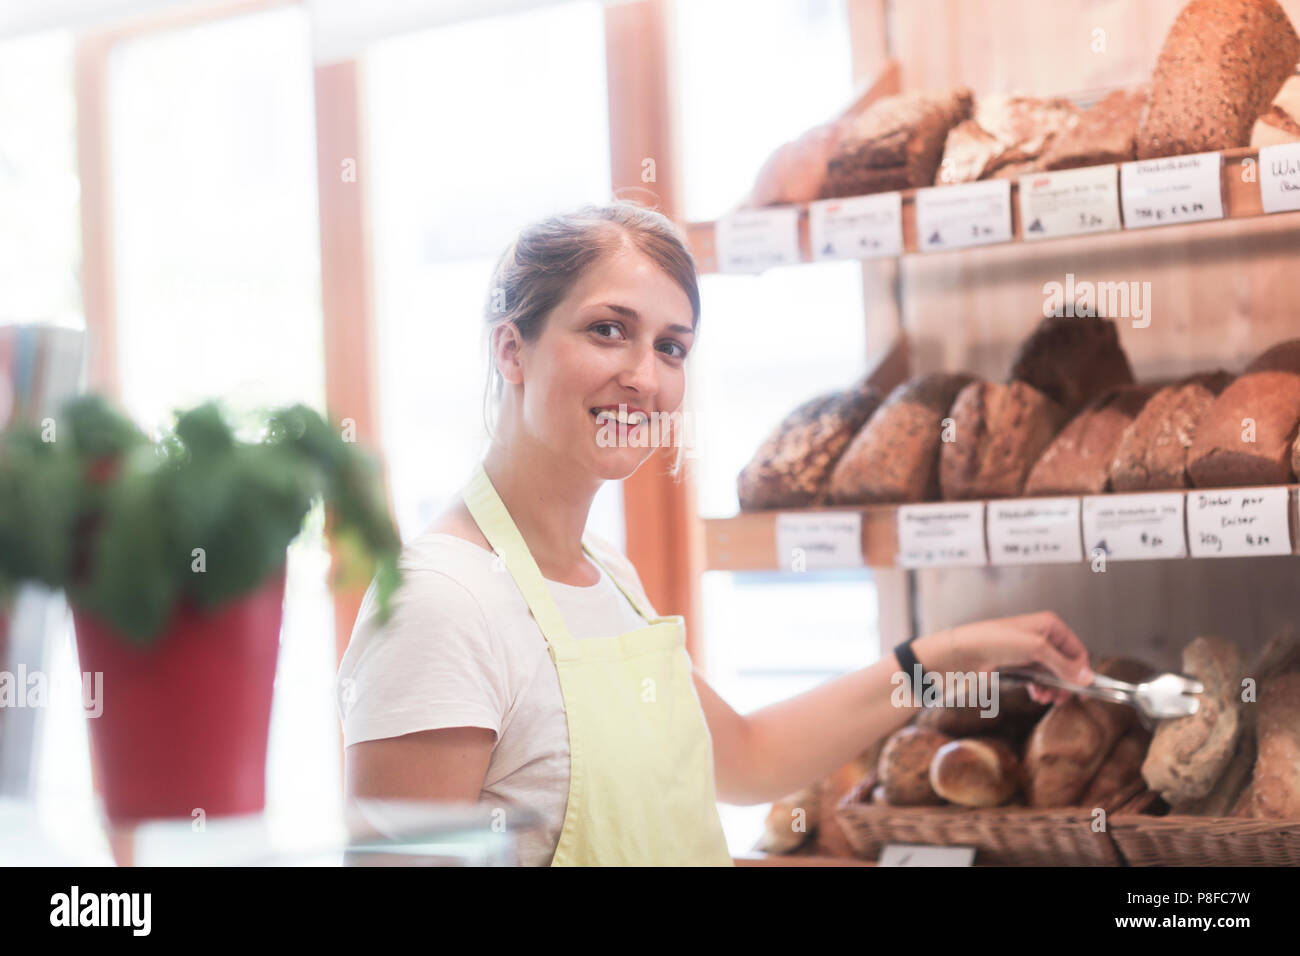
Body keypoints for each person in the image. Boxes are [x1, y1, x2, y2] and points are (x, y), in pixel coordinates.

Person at [336, 202, 1094, 866]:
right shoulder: (441, 603)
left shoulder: (604, 574)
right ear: (512, 349)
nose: (645, 376)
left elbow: (747, 759)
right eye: (609, 330)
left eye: (671, 347)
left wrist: (957, 655)